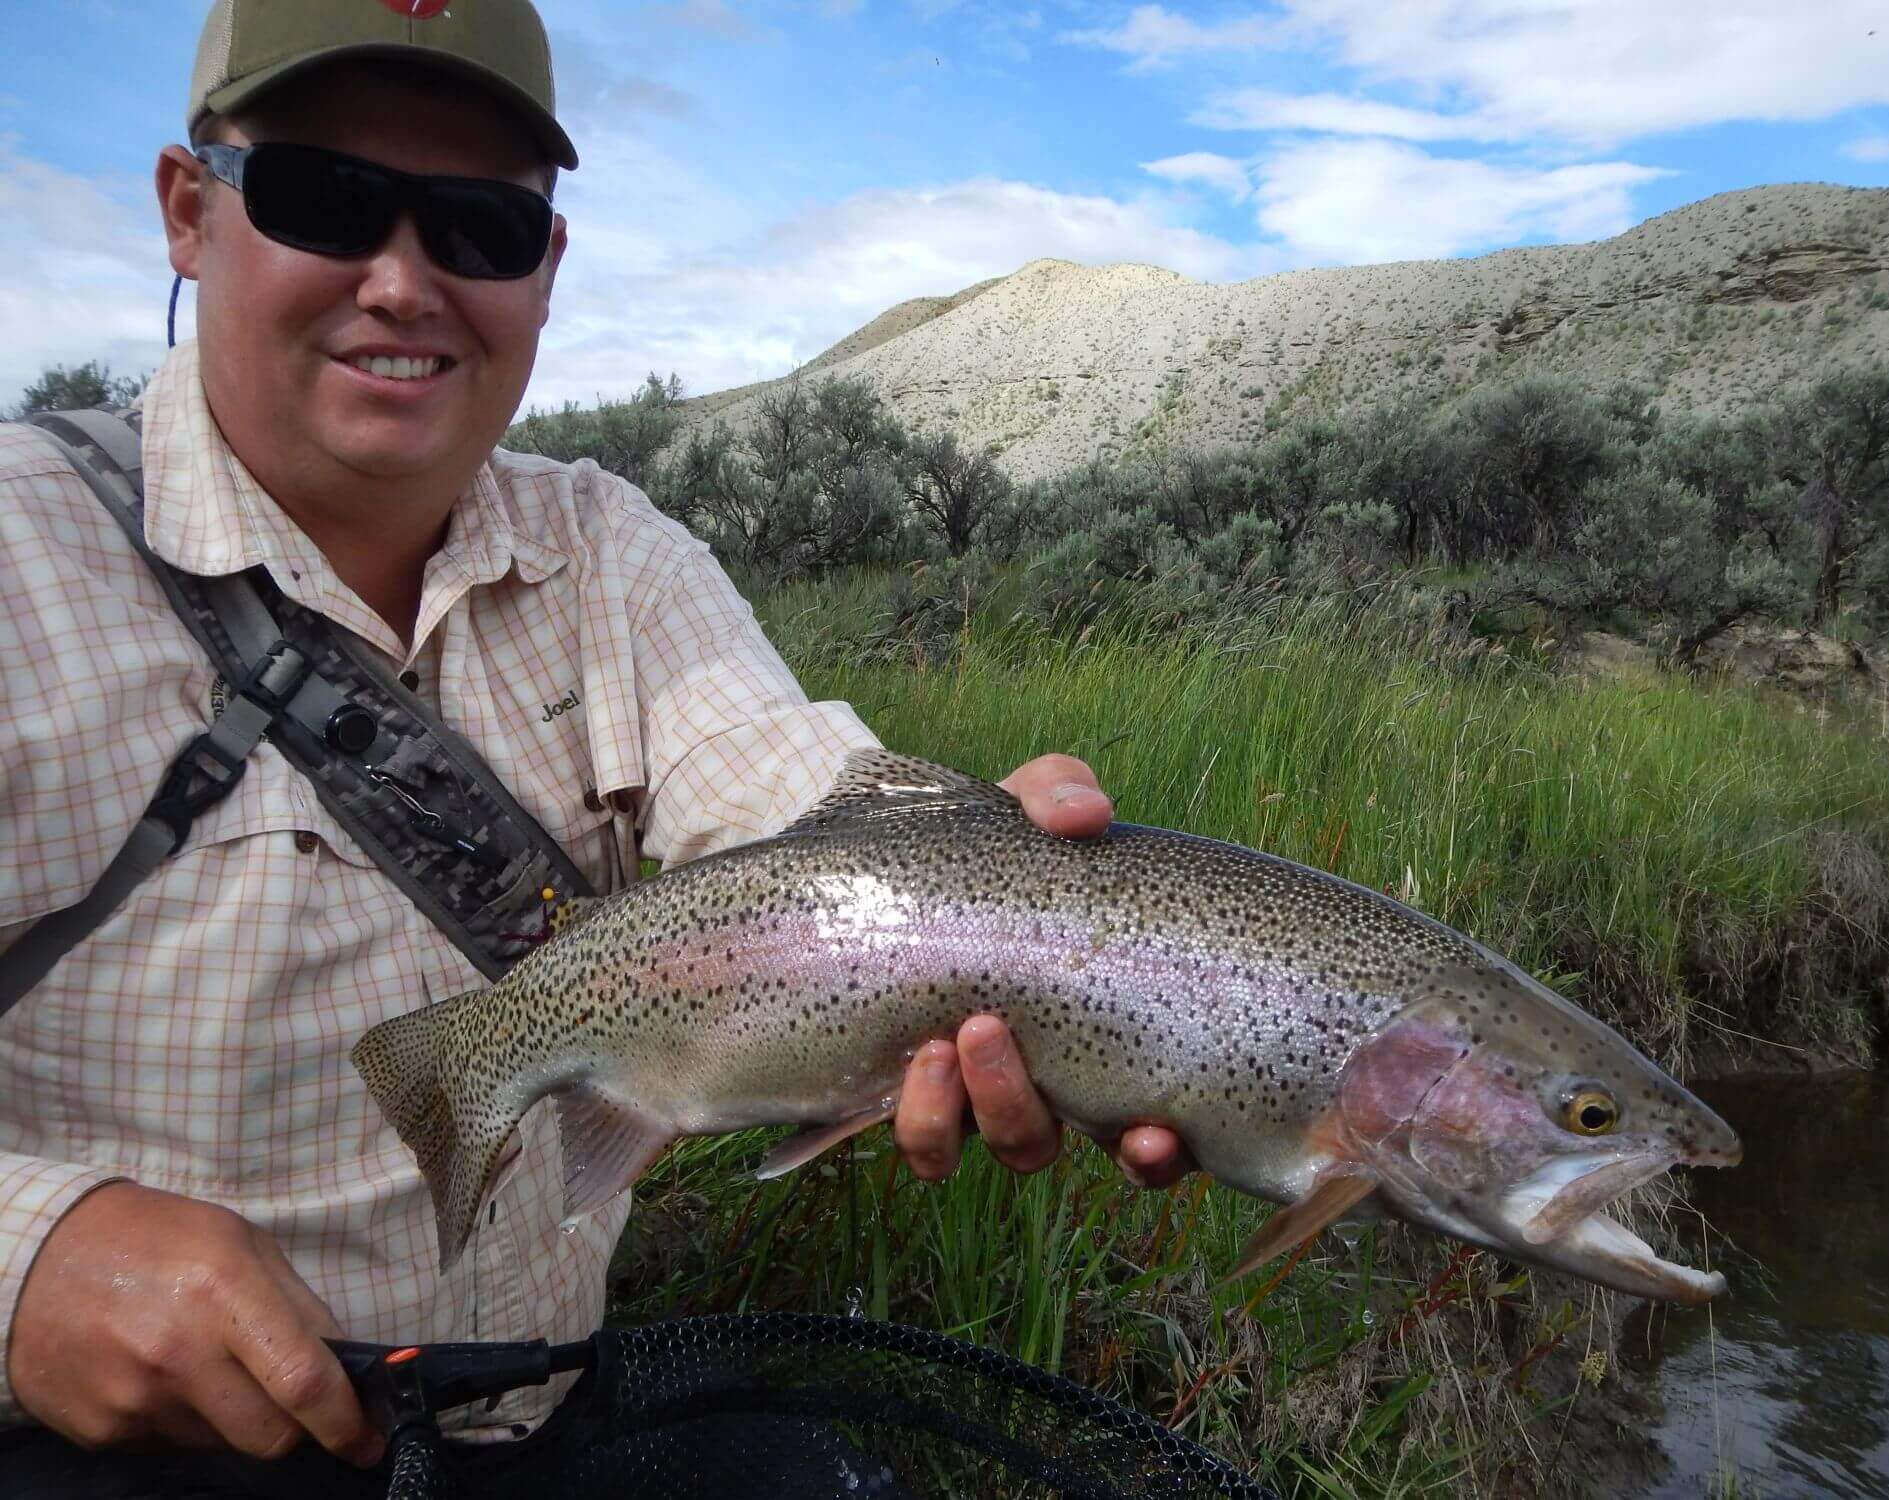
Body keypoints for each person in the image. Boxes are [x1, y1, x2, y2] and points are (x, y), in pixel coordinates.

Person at [0, 0, 1188, 1488]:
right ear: (189, 212)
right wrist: (24, 1263)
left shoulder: (613, 553)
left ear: (546, 272)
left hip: (538, 1423)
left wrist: (992, 886)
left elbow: (802, 816)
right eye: (327, 200)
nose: (400, 282)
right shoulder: (11, 551)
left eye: (481, 228)